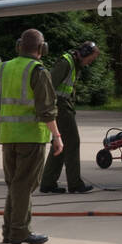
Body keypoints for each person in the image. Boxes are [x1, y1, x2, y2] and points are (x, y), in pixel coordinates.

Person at [0, 28, 63, 244]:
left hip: (8, 137)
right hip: (31, 138)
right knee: (24, 185)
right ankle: (20, 231)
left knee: (15, 184)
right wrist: (57, 136)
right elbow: (47, 110)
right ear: (42, 48)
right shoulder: (38, 71)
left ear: (19, 45)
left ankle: (10, 231)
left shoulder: (3, 68)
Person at [40, 40, 100, 195]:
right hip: (60, 107)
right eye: (90, 59)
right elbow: (50, 85)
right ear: (84, 54)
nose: (89, 63)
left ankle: (48, 183)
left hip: (63, 105)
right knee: (72, 142)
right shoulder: (66, 62)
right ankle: (75, 184)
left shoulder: (73, 63)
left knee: (60, 144)